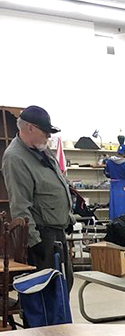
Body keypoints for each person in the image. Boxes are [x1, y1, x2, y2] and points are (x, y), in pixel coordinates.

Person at [2, 104, 73, 287]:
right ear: (30, 128)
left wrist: (68, 217)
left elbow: (56, 184)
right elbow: (19, 205)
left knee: (64, 284)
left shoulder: (41, 149)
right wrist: (35, 242)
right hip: (42, 235)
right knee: (48, 290)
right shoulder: (15, 157)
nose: (48, 136)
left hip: (57, 231)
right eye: (45, 131)